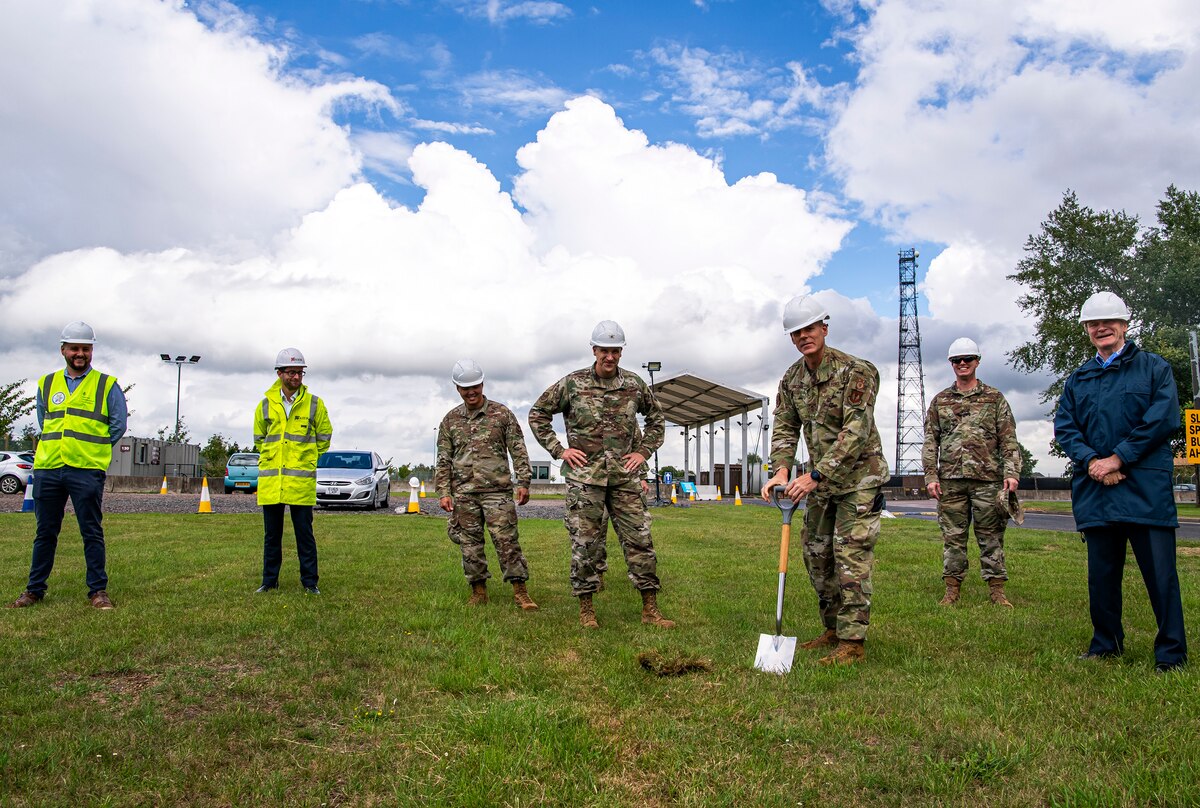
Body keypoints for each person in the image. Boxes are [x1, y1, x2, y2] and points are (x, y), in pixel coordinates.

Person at [1054, 291, 1187, 673]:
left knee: (1161, 577)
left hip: (1144, 490)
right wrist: (1094, 461)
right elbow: (1066, 427)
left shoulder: (1153, 368)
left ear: (1125, 325)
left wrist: (1118, 457)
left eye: (1109, 321)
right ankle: (1105, 645)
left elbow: (1162, 420)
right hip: (1096, 490)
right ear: (1086, 330)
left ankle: (1171, 654)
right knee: (1102, 577)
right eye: (1093, 323)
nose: (1101, 328)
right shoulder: (1078, 379)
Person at [760, 295, 889, 666]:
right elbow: (784, 426)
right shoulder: (792, 379)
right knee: (816, 556)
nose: (804, 337)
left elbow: (856, 431)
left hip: (859, 480)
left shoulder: (856, 371)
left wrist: (815, 475)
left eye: (810, 329)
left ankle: (853, 642)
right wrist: (782, 470)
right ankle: (832, 628)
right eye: (797, 332)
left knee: (850, 557)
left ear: (824, 329)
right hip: (820, 484)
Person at [529, 320, 675, 629]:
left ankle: (650, 609)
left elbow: (656, 417)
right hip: (585, 478)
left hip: (624, 478)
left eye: (615, 351)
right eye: (604, 350)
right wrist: (559, 450)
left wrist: (643, 452)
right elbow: (538, 413)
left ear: (621, 352)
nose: (610, 357)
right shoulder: (573, 384)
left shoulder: (634, 384)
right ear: (594, 350)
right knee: (586, 544)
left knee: (640, 540)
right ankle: (587, 610)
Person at [8, 322, 127, 610]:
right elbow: (44, 422)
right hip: (49, 467)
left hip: (86, 469)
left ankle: (97, 591)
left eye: (85, 348)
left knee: (91, 530)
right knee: (45, 532)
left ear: (91, 351)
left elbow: (118, 426)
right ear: (63, 350)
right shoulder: (46, 384)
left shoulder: (107, 385)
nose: (80, 353)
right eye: (74, 348)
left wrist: (91, 449)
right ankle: (34, 590)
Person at [922, 337, 1021, 607]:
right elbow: (931, 441)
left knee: (991, 537)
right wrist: (930, 476)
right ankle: (952, 589)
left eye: (968, 359)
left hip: (988, 481)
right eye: (957, 360)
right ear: (951, 364)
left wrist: (1012, 473)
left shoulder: (994, 398)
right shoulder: (940, 401)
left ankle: (997, 590)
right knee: (953, 538)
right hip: (951, 482)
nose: (962, 364)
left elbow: (1008, 439)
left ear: (977, 361)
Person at [435, 359, 538, 610]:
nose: (471, 392)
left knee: (507, 542)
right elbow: (443, 459)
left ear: (482, 384)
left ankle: (520, 591)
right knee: (470, 545)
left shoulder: (502, 414)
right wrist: (444, 492)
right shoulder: (450, 421)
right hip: (464, 493)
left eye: (475, 386)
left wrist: (524, 481)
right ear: (457, 388)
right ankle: (478, 591)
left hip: (498, 492)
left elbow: (518, 449)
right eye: (465, 388)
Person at [253, 348, 332, 595]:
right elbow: (259, 439)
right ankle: (269, 581)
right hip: (272, 483)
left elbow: (324, 437)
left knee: (305, 537)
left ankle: (310, 583)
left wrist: (306, 459)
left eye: (300, 372)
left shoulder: (315, 404)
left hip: (300, 483)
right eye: (291, 372)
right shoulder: (265, 404)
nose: (296, 377)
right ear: (279, 373)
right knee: (271, 537)